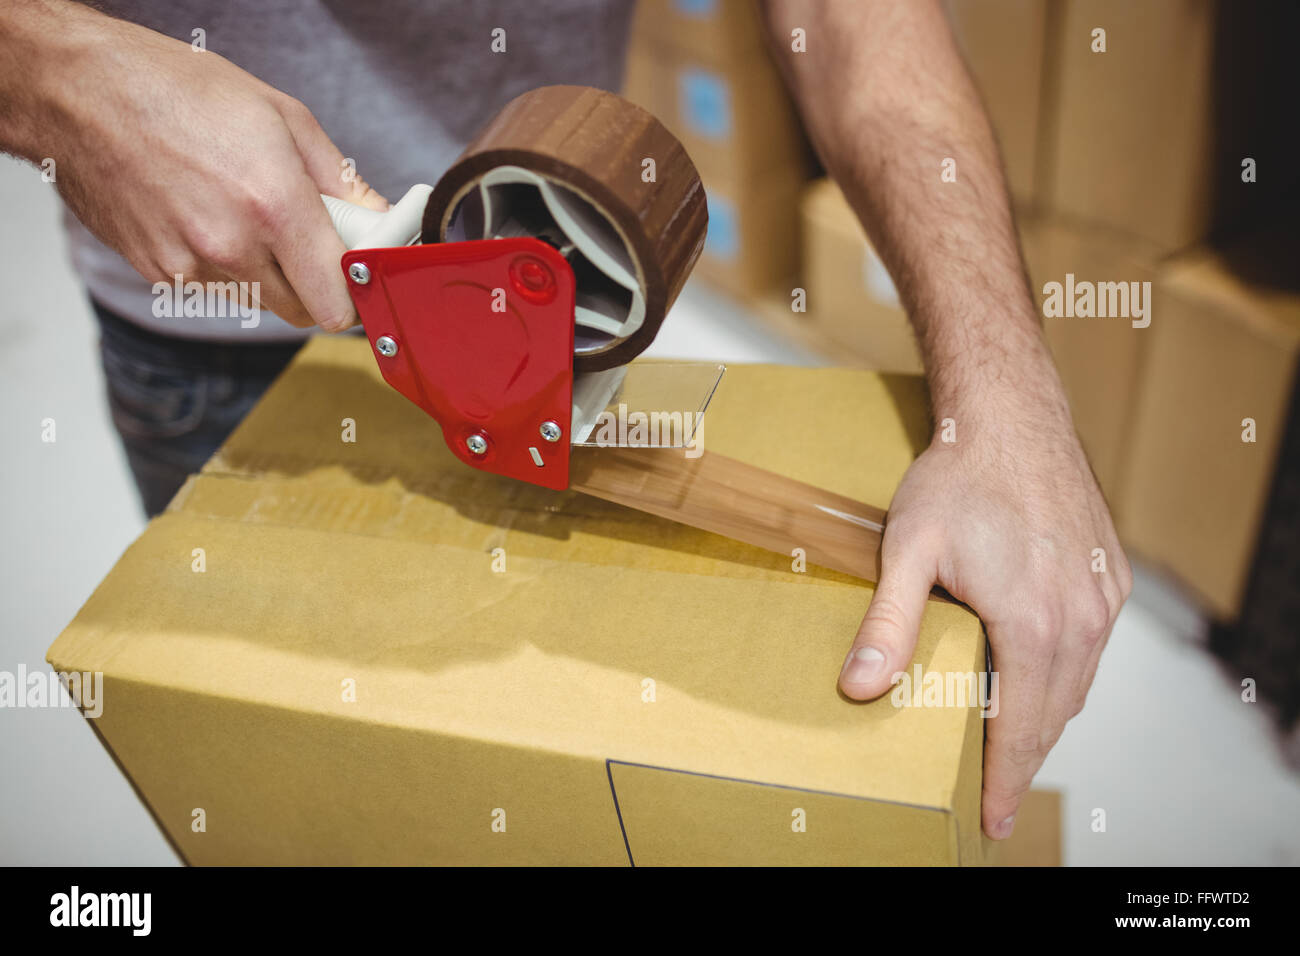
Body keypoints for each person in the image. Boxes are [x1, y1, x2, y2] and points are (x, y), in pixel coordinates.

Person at [0, 0, 1131, 842]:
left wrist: (1005, 399)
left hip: (545, 292)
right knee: (289, 785)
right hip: (207, 325)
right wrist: (51, 72)